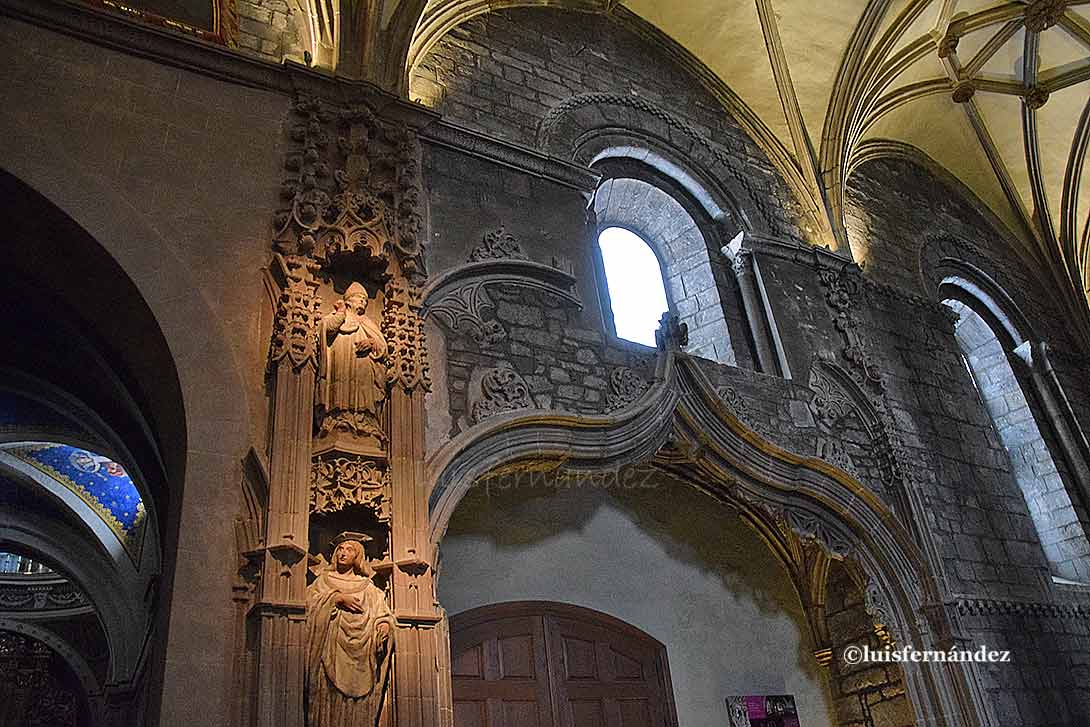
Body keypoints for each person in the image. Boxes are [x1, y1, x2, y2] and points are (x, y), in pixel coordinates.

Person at [306, 532, 393, 727]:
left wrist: (384, 626)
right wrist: (335, 598)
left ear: (358, 555)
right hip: (328, 651)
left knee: (355, 708)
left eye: (349, 549)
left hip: (361, 657)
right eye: (340, 549)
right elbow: (307, 606)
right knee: (326, 699)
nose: (343, 553)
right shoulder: (323, 581)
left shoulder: (368, 588)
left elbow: (382, 613)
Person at [317, 282, 388, 445]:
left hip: (362, 363)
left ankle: (364, 422)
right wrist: (341, 313)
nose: (363, 302)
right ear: (349, 300)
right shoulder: (337, 316)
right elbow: (327, 329)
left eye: (365, 299)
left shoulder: (366, 322)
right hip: (341, 356)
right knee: (340, 385)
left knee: (363, 389)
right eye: (359, 298)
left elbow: (382, 345)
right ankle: (339, 418)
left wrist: (371, 343)